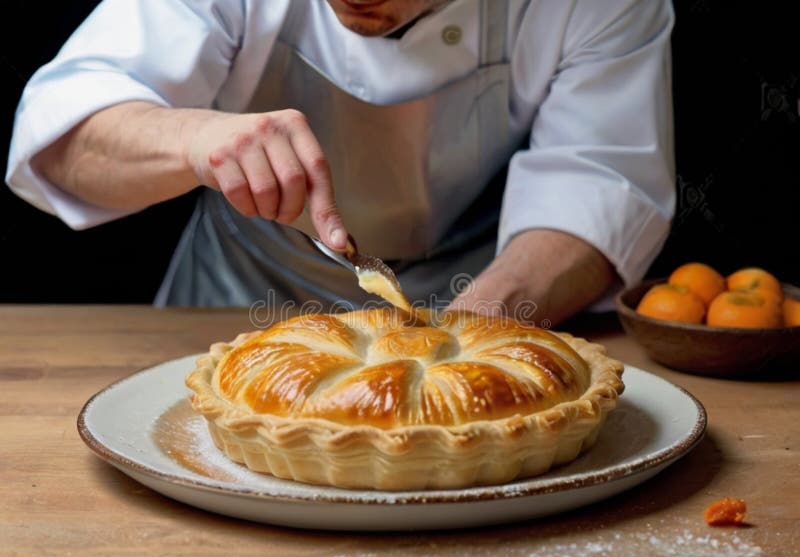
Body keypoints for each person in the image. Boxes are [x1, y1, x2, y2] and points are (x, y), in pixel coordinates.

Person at [6, 0, 675, 325]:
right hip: (233, 303)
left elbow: (599, 187)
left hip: (476, 290)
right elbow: (63, 134)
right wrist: (192, 137)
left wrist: (465, 340)